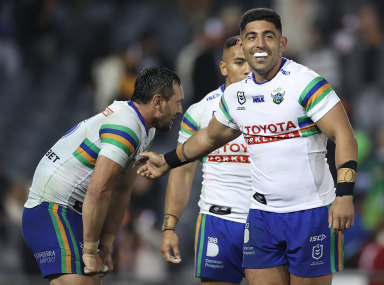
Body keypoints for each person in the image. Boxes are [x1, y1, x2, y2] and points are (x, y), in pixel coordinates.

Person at [138, 8, 358, 285]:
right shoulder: (235, 95)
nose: (260, 43)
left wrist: (345, 195)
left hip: (310, 212)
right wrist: (167, 161)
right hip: (262, 216)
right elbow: (209, 138)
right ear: (242, 44)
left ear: (282, 42)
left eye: (269, 36)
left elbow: (345, 136)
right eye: (252, 37)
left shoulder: (305, 83)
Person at [21, 66, 184, 285]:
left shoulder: (144, 129)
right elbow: (99, 189)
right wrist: (90, 251)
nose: (180, 109)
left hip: (71, 212)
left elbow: (122, 190)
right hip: (51, 209)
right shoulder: (126, 127)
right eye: (177, 102)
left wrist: (105, 245)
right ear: (157, 101)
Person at [160, 35, 252, 285]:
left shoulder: (275, 106)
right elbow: (183, 172)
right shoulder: (200, 111)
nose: (247, 69)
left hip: (264, 220)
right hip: (216, 222)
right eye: (239, 62)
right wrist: (169, 227)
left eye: (252, 62)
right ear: (223, 68)